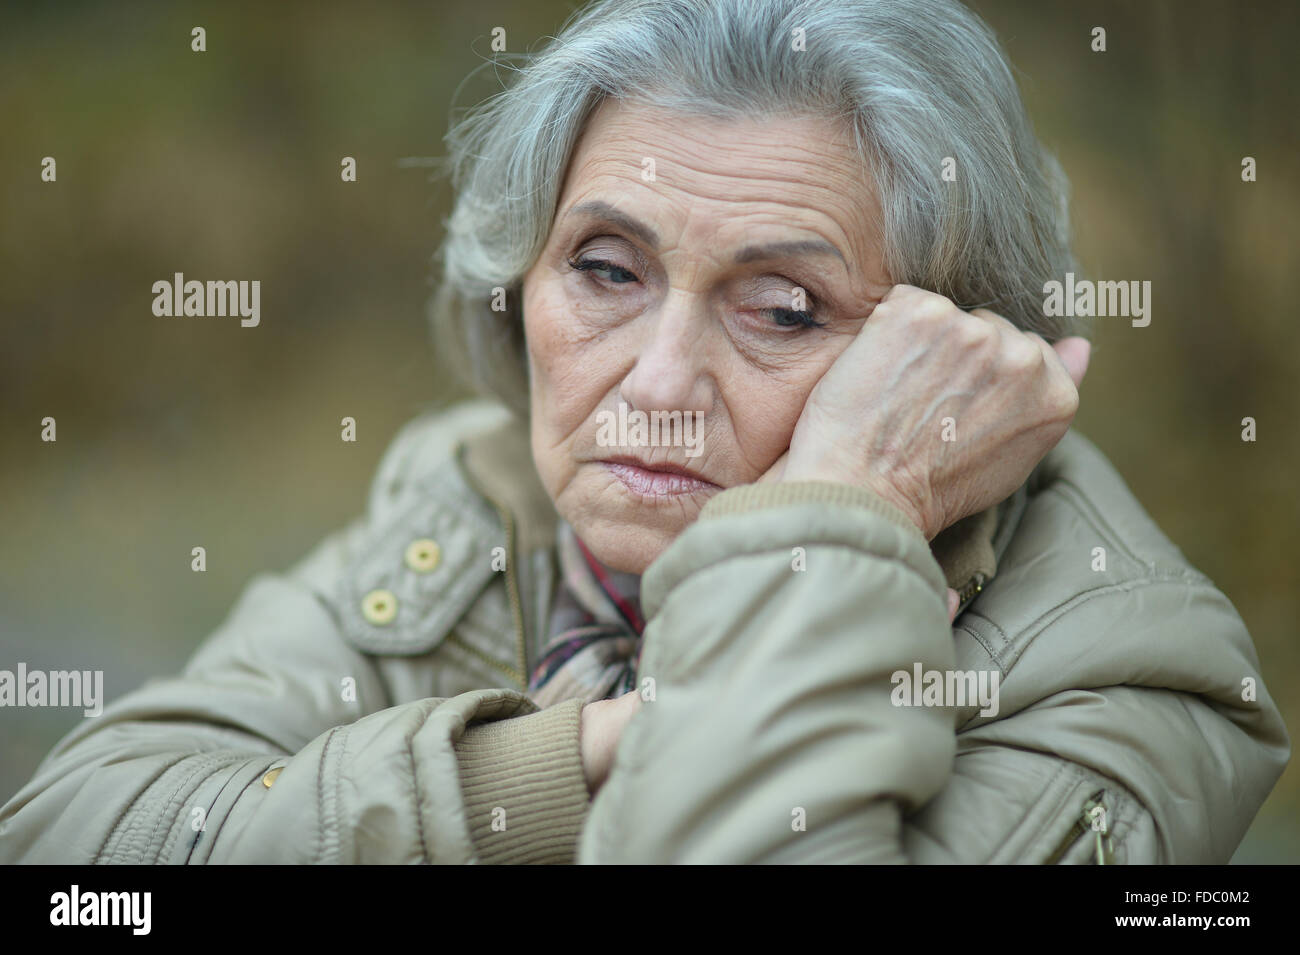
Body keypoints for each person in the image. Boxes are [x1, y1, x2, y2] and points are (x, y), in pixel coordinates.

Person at [0, 0, 1287, 864]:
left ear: (946, 353)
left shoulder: (1124, 667)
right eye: (607, 270)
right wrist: (557, 765)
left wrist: (847, 510)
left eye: (782, 308)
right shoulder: (474, 505)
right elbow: (76, 843)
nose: (659, 382)